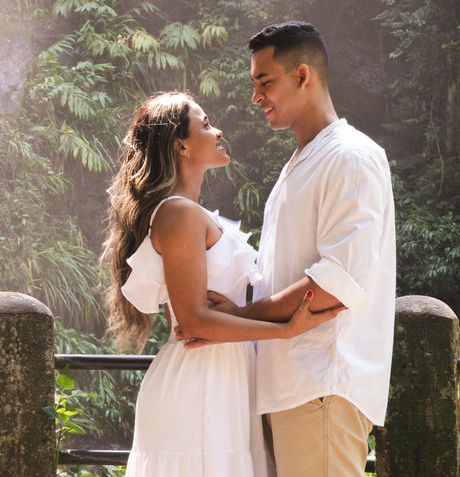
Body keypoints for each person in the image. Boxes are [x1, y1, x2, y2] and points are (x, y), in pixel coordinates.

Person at [184, 21, 396, 477]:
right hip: (290, 386)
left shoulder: (351, 157)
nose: (256, 97)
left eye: (266, 82)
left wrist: (234, 319)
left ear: (303, 75)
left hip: (322, 384)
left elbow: (334, 285)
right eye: (254, 84)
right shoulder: (300, 164)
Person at [102, 91, 344, 477]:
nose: (218, 130)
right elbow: (193, 321)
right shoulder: (178, 214)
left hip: (224, 379)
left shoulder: (189, 213)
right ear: (181, 145)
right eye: (205, 124)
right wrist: (284, 330)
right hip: (202, 382)